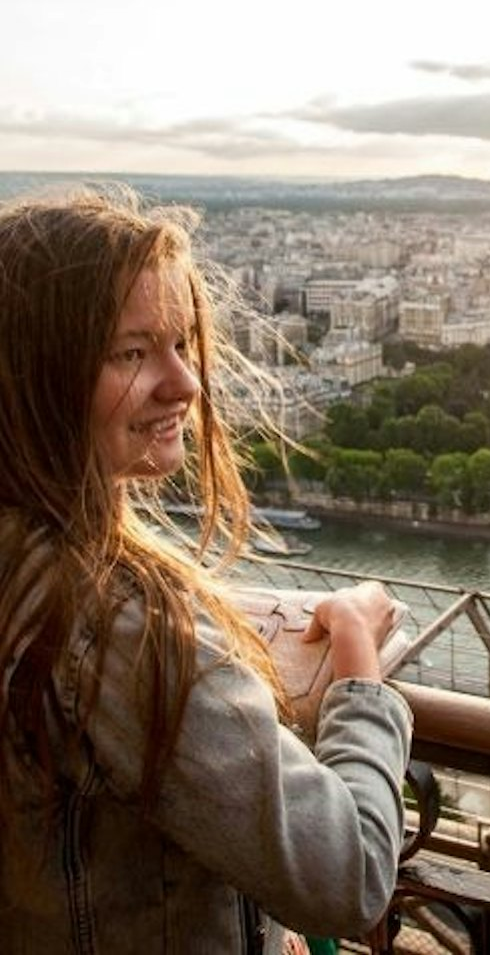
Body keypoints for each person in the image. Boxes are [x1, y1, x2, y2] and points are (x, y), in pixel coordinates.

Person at [0, 187, 413, 954]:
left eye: (182, 344)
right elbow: (347, 875)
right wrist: (359, 669)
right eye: (131, 352)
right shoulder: (117, 623)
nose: (185, 383)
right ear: (40, 378)